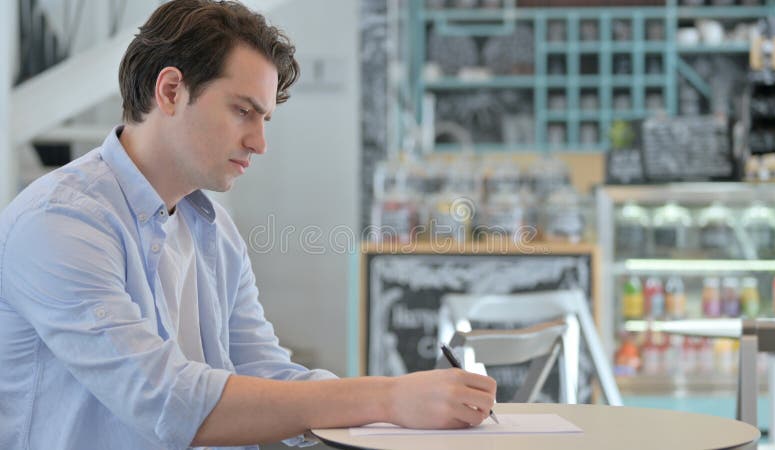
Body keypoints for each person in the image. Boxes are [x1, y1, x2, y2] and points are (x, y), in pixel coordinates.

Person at [0, 1, 497, 449]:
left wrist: (409, 408)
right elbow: (163, 398)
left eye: (264, 121)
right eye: (243, 112)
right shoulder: (61, 223)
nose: (259, 143)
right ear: (171, 90)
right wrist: (385, 399)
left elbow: (265, 372)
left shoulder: (211, 228)